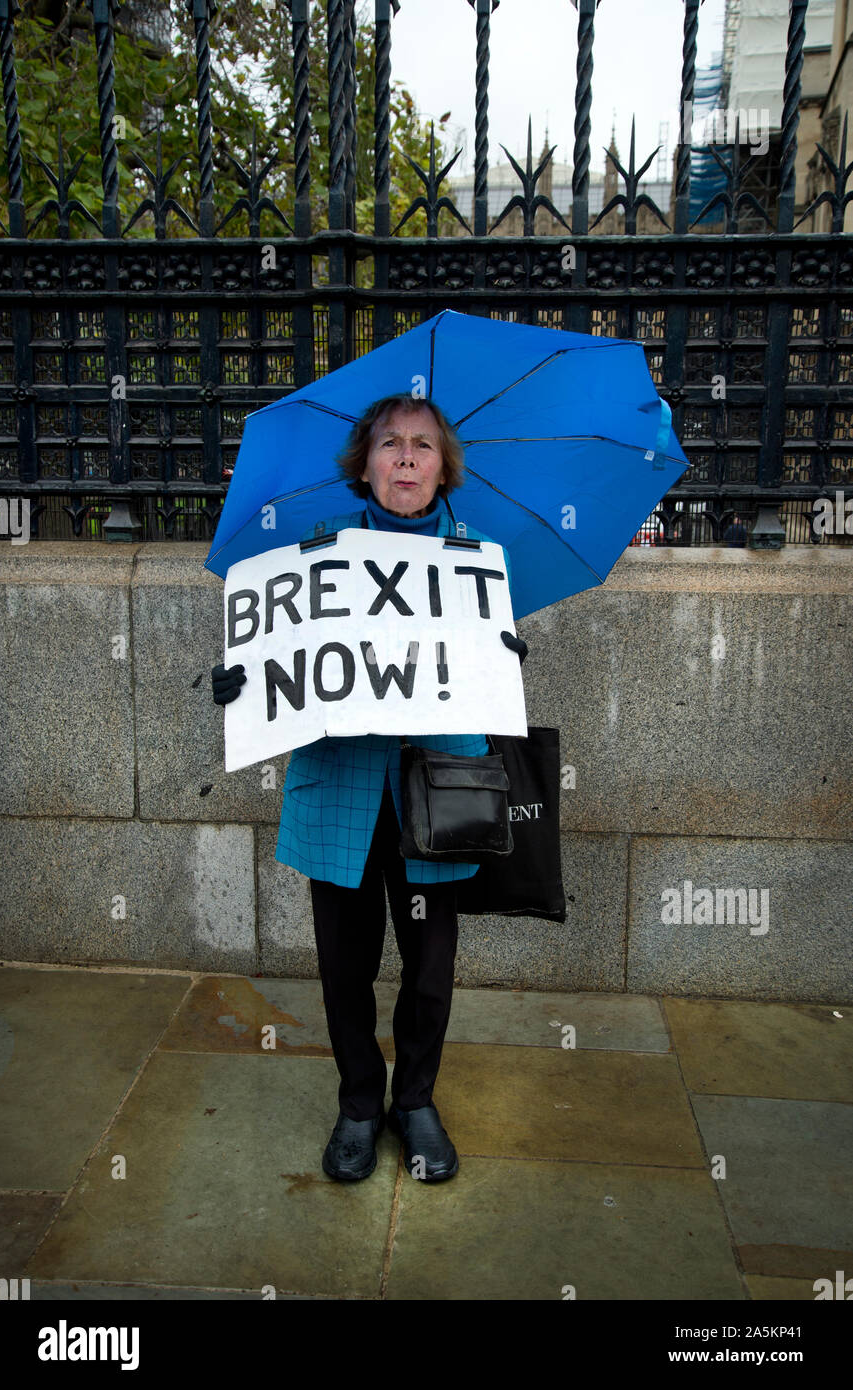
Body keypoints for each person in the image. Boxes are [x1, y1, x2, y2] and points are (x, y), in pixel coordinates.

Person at [212, 393, 526, 1184]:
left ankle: (415, 1102)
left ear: (444, 466)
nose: (408, 459)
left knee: (428, 967)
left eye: (424, 445)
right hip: (340, 787)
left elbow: (477, 674)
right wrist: (244, 679)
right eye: (391, 445)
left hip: (437, 789)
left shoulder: (477, 559)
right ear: (365, 465)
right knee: (343, 965)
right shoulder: (314, 559)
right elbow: (288, 649)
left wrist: (504, 656)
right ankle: (359, 1104)